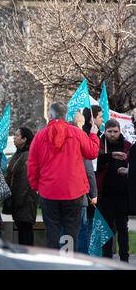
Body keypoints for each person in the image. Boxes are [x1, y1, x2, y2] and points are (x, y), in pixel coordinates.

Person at [27, 102, 100, 251]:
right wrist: (93, 134)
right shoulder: (76, 133)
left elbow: (32, 166)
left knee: (52, 232)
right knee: (71, 232)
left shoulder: (40, 136)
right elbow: (92, 152)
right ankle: (68, 263)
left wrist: (36, 187)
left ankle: (54, 264)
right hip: (73, 191)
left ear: (50, 115)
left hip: (49, 192)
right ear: (65, 115)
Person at [96, 119, 132, 262]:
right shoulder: (99, 145)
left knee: (122, 228)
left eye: (115, 131)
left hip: (123, 195)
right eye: (109, 131)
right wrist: (108, 157)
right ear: (105, 132)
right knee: (107, 229)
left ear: (119, 131)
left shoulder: (127, 146)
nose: (112, 134)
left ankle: (124, 258)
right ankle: (106, 259)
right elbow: (94, 163)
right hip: (105, 195)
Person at [6, 127, 38, 246]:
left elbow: (25, 181)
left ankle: (27, 260)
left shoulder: (27, 156)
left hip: (25, 202)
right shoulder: (19, 154)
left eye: (17, 135)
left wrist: (17, 202)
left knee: (25, 233)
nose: (14, 137)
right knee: (23, 232)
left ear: (24, 139)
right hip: (20, 202)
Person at [73, 112, 98, 254]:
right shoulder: (80, 138)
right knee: (81, 229)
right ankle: (82, 259)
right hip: (78, 193)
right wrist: (93, 193)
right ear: (79, 123)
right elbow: (88, 168)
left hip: (55, 194)